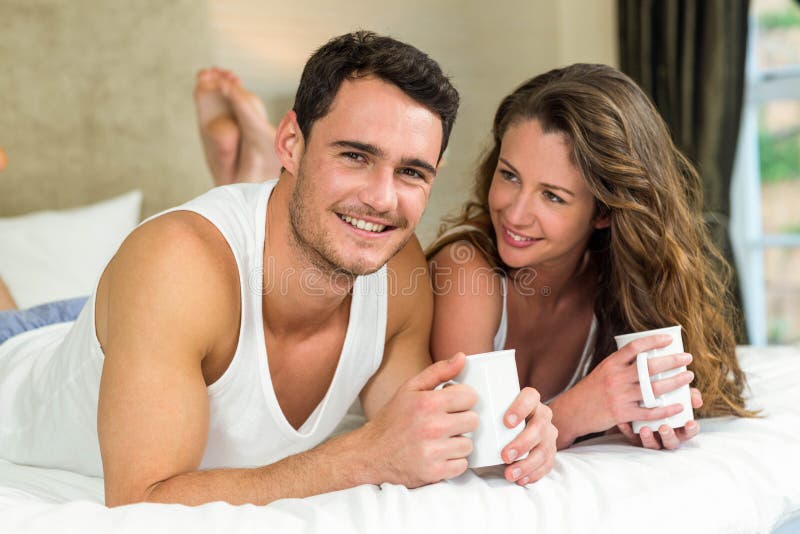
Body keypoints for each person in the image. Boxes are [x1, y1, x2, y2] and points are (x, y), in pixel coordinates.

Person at [0, 31, 557, 507]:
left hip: (150, 321)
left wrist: (520, 431)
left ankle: (242, 176)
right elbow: (142, 501)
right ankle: (240, 177)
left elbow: (415, 433)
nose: (384, 199)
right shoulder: (171, 265)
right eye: (355, 156)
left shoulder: (396, 266)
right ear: (291, 141)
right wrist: (357, 456)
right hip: (22, 351)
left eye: (411, 172)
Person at [426, 63, 755, 452]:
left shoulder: (619, 288)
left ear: (603, 213)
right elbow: (475, 446)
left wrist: (639, 414)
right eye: (510, 175)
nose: (514, 213)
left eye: (552, 196)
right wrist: (580, 411)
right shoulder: (467, 270)